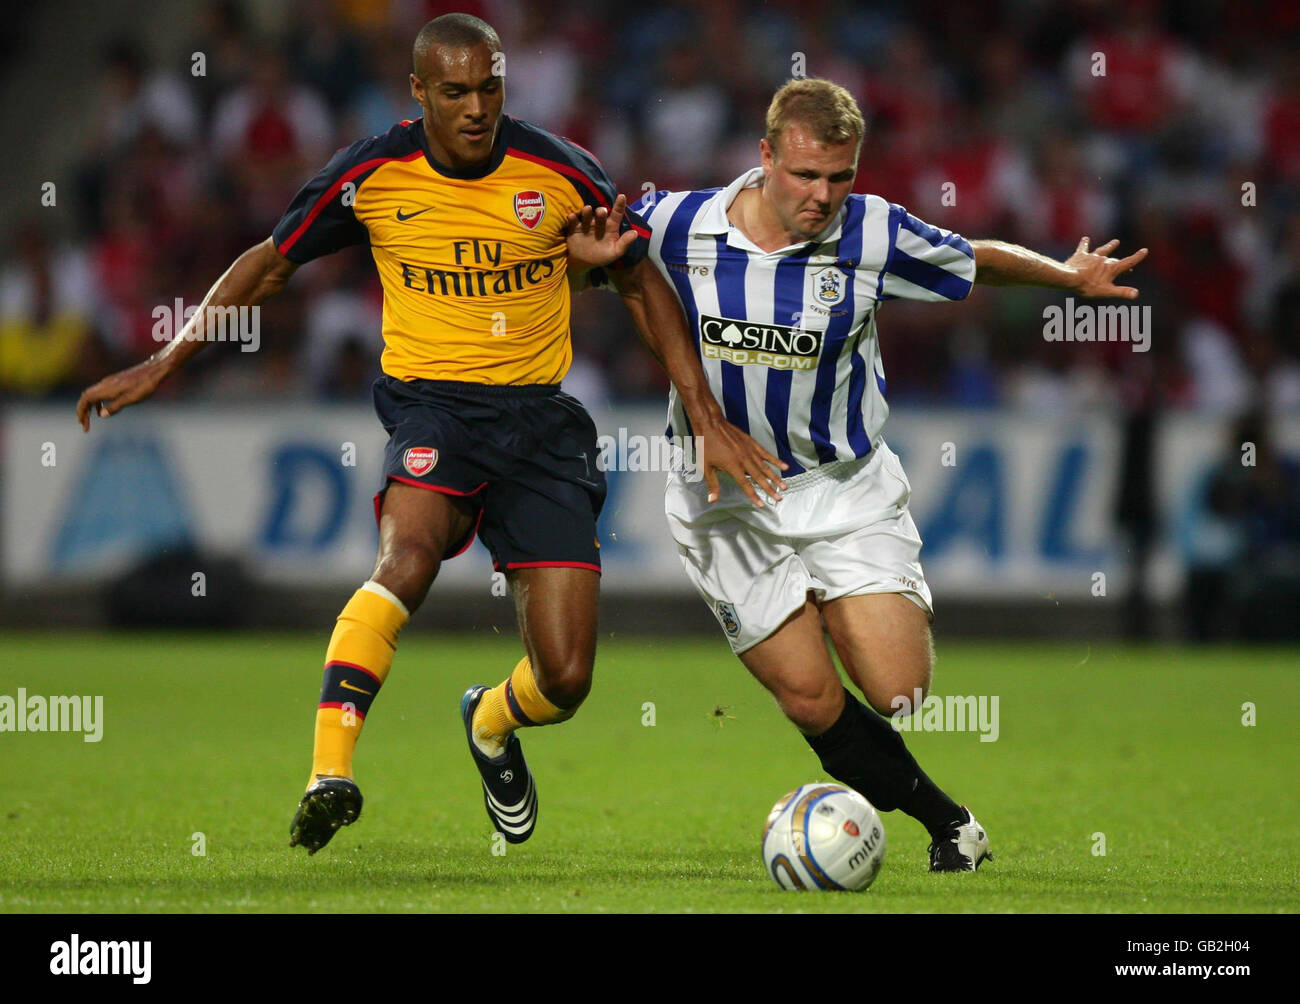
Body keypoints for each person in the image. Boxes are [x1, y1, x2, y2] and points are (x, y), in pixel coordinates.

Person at [76, 13, 782, 854]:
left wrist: (701, 415)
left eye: (490, 87)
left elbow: (639, 283)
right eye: (455, 91)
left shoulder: (561, 172)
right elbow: (270, 262)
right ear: (418, 91)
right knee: (404, 556)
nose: (477, 106)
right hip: (431, 409)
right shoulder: (372, 173)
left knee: (566, 678)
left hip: (539, 424)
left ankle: (487, 721)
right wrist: (167, 359)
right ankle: (329, 772)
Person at [570, 77, 1147, 872]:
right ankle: (951, 825)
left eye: (840, 177)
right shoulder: (678, 221)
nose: (822, 195)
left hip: (845, 490)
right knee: (810, 699)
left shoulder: (872, 233)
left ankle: (842, 602)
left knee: (898, 693)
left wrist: (1067, 277)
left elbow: (972, 259)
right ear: (765, 155)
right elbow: (591, 263)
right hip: (726, 503)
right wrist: (574, 266)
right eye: (806, 175)